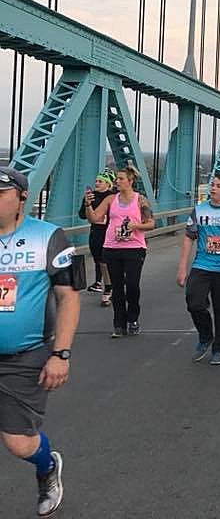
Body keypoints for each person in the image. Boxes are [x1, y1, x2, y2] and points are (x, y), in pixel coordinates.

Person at [0, 167, 80, 517]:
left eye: (0, 192)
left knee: (18, 443)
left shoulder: (50, 237)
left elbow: (68, 297)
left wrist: (60, 354)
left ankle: (47, 466)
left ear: (21, 198)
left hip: (25, 356)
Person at [175, 172, 220, 365]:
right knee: (194, 302)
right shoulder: (199, 210)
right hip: (201, 265)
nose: (213, 188)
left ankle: (219, 348)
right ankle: (205, 336)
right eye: (213, 185)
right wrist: (182, 268)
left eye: (219, 186)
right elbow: (189, 237)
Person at [85, 165, 155, 338]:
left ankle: (133, 318)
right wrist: (87, 204)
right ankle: (118, 324)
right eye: (116, 178)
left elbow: (151, 223)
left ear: (130, 181)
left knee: (132, 286)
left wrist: (136, 225)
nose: (117, 181)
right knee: (117, 288)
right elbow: (94, 218)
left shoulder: (140, 200)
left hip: (134, 248)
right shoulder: (110, 199)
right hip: (112, 248)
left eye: (121, 178)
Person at [78, 170, 115, 305]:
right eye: (96, 181)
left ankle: (108, 290)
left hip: (110, 234)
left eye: (101, 181)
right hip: (96, 233)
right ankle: (102, 284)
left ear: (108, 184)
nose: (97, 183)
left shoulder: (114, 197)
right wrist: (87, 205)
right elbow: (81, 215)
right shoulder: (91, 196)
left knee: (106, 262)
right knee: (99, 261)